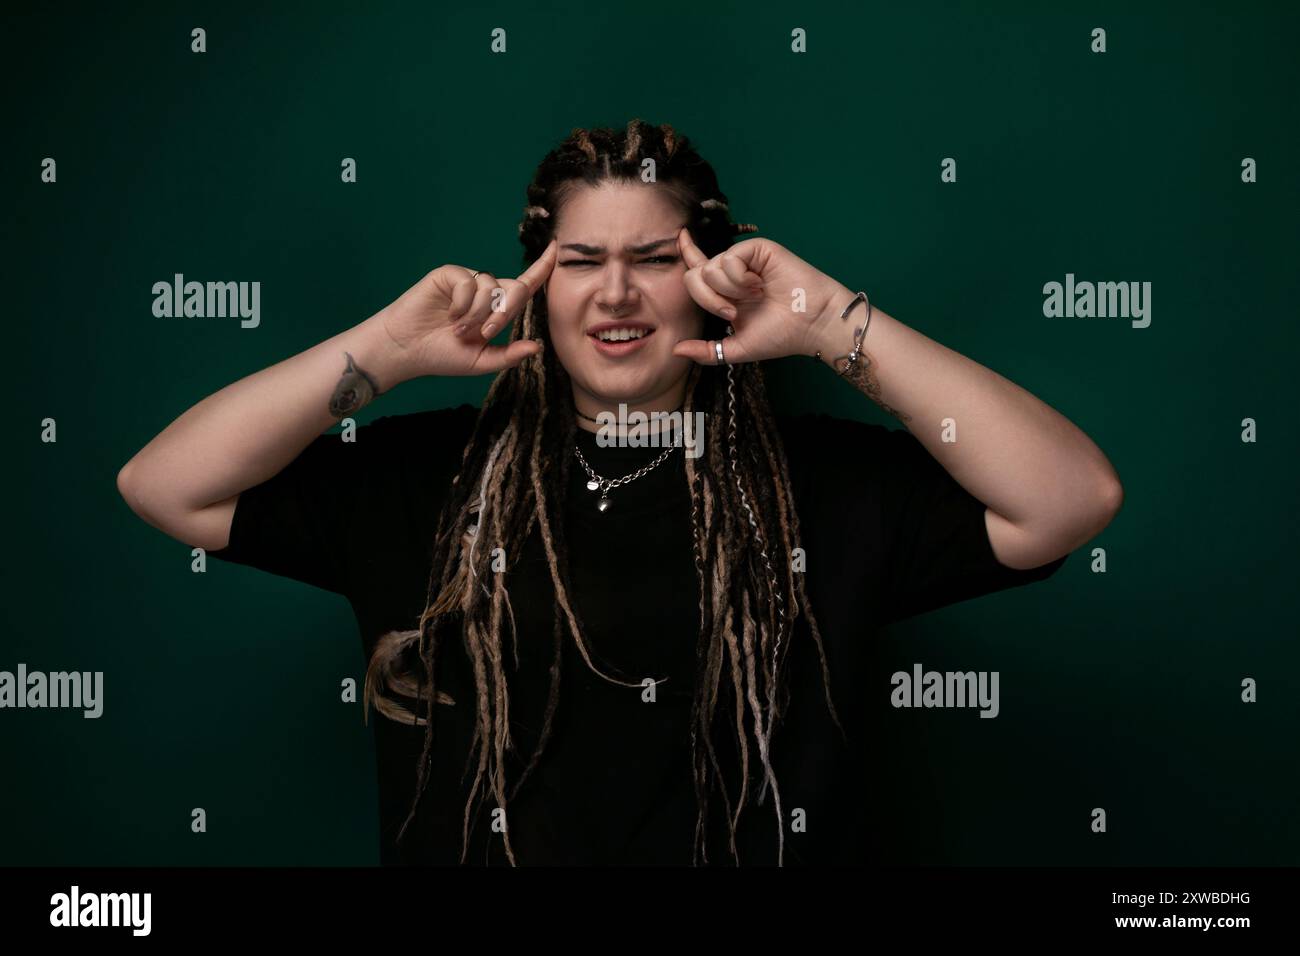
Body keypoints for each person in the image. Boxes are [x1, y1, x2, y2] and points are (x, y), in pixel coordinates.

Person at [116, 120, 1122, 867]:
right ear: (536, 283)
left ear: (715, 277)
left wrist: (830, 325)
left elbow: (1069, 497)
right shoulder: (423, 478)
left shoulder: (823, 483)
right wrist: (384, 351)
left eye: (653, 260)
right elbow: (165, 483)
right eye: (580, 261)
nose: (613, 293)